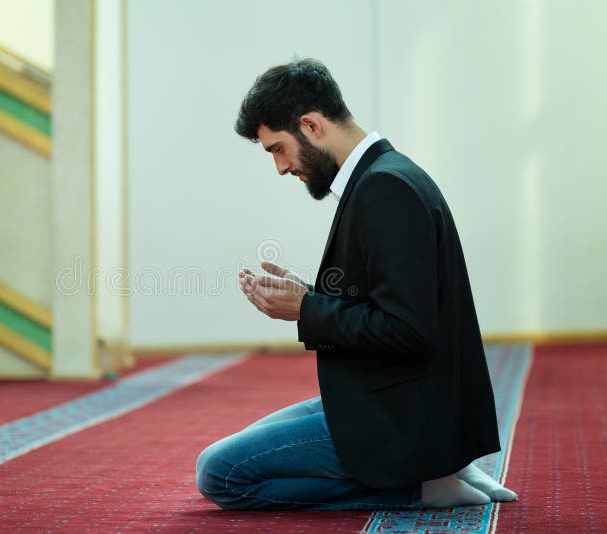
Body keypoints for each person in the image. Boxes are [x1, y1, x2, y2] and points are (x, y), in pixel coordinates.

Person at [195, 58, 518, 510]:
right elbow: (390, 301)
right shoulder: (387, 174)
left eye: (277, 149)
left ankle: (423, 484)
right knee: (249, 442)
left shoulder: (384, 189)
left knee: (220, 473)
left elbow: (407, 328)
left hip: (404, 417)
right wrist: (306, 294)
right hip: (398, 400)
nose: (281, 168)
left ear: (310, 125)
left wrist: (306, 308)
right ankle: (445, 466)